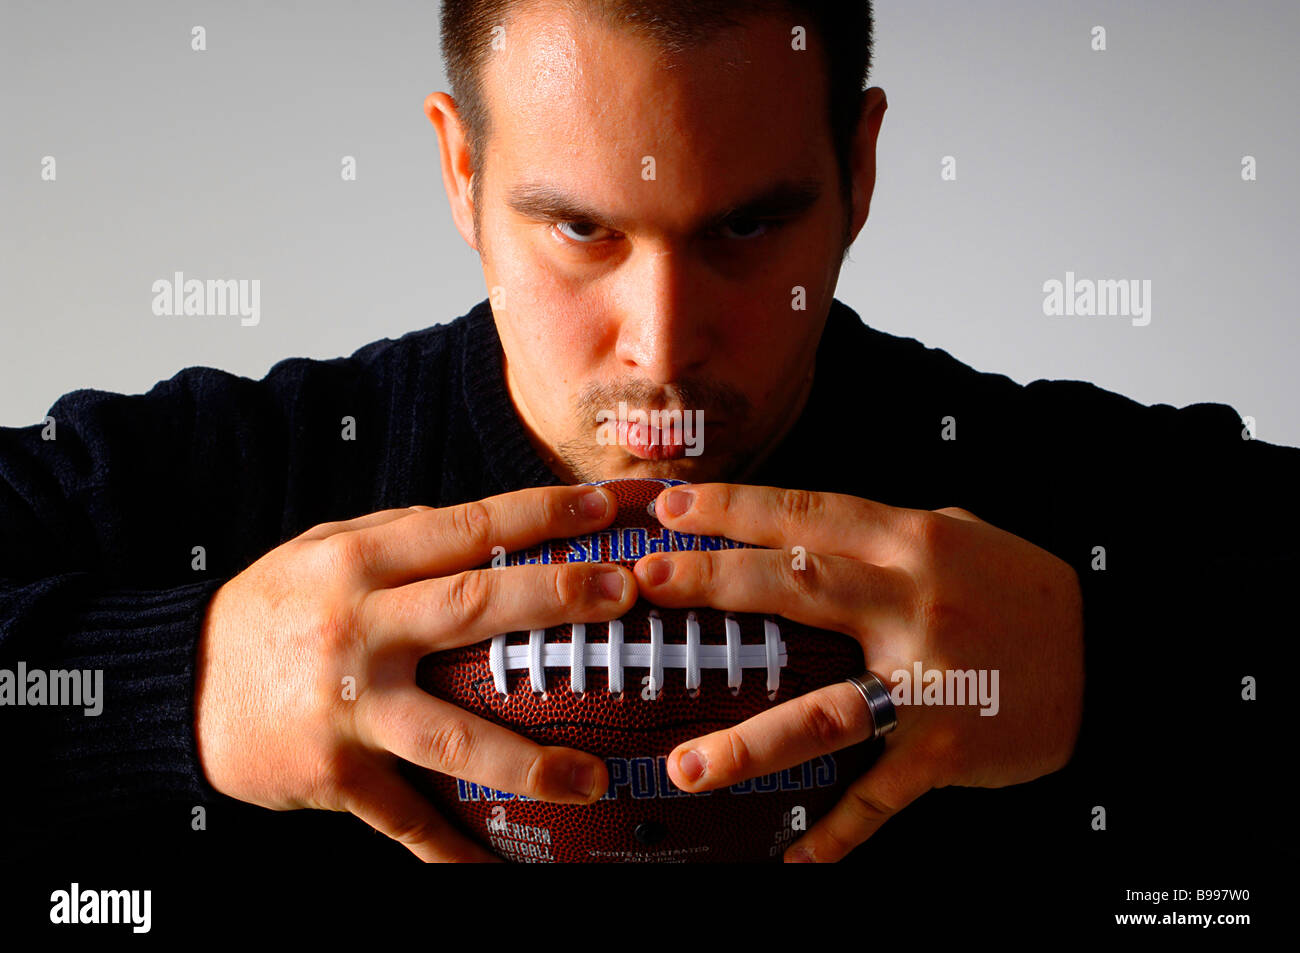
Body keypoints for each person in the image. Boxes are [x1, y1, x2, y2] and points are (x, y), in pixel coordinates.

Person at [1, 0, 1291, 879]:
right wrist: (188, 684)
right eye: (581, 231)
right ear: (460, 173)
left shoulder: (1054, 501)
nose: (662, 347)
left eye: (745, 230)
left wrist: (1109, 665)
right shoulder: (242, 474)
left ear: (860, 166)